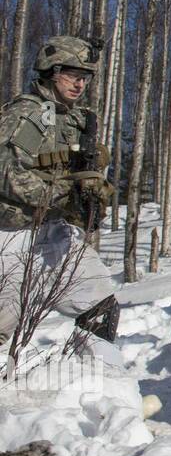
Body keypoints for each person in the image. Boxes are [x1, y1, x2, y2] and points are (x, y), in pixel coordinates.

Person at [0, 35, 119, 350]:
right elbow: (8, 174)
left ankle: (91, 388)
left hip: (53, 232)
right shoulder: (35, 113)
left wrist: (90, 194)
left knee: (100, 307)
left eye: (85, 78)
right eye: (72, 75)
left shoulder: (73, 120)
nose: (80, 85)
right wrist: (64, 196)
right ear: (51, 71)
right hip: (12, 235)